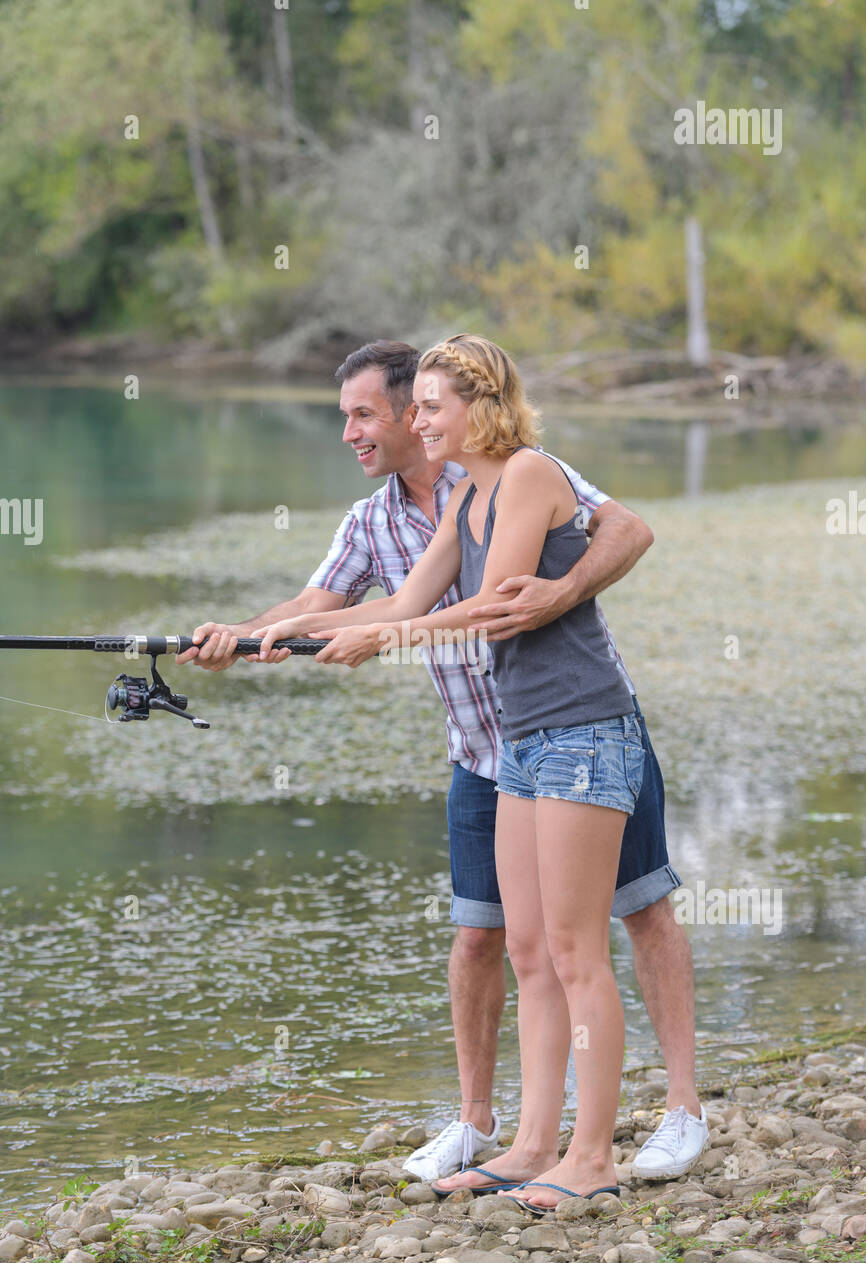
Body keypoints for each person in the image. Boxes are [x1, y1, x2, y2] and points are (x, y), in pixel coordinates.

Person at [178, 340, 707, 1187]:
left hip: (582, 726)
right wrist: (264, 635)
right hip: (506, 746)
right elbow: (389, 601)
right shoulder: (454, 501)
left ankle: (610, 1146)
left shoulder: (532, 472)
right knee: (525, 950)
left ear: (476, 404)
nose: (411, 422)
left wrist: (388, 636)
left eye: (423, 406)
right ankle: (528, 1146)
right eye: (413, 407)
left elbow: (496, 603)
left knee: (597, 939)